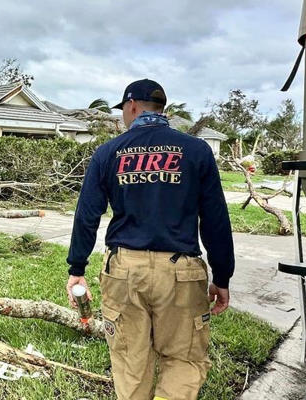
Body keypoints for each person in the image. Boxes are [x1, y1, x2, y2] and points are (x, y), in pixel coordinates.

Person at [65, 79, 234, 400]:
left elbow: (86, 215)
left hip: (124, 270)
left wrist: (77, 268)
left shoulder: (108, 152)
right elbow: (215, 220)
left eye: (123, 111)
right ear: (162, 109)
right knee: (184, 359)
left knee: (131, 362)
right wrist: (222, 276)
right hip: (181, 273)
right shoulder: (196, 151)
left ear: (131, 106)